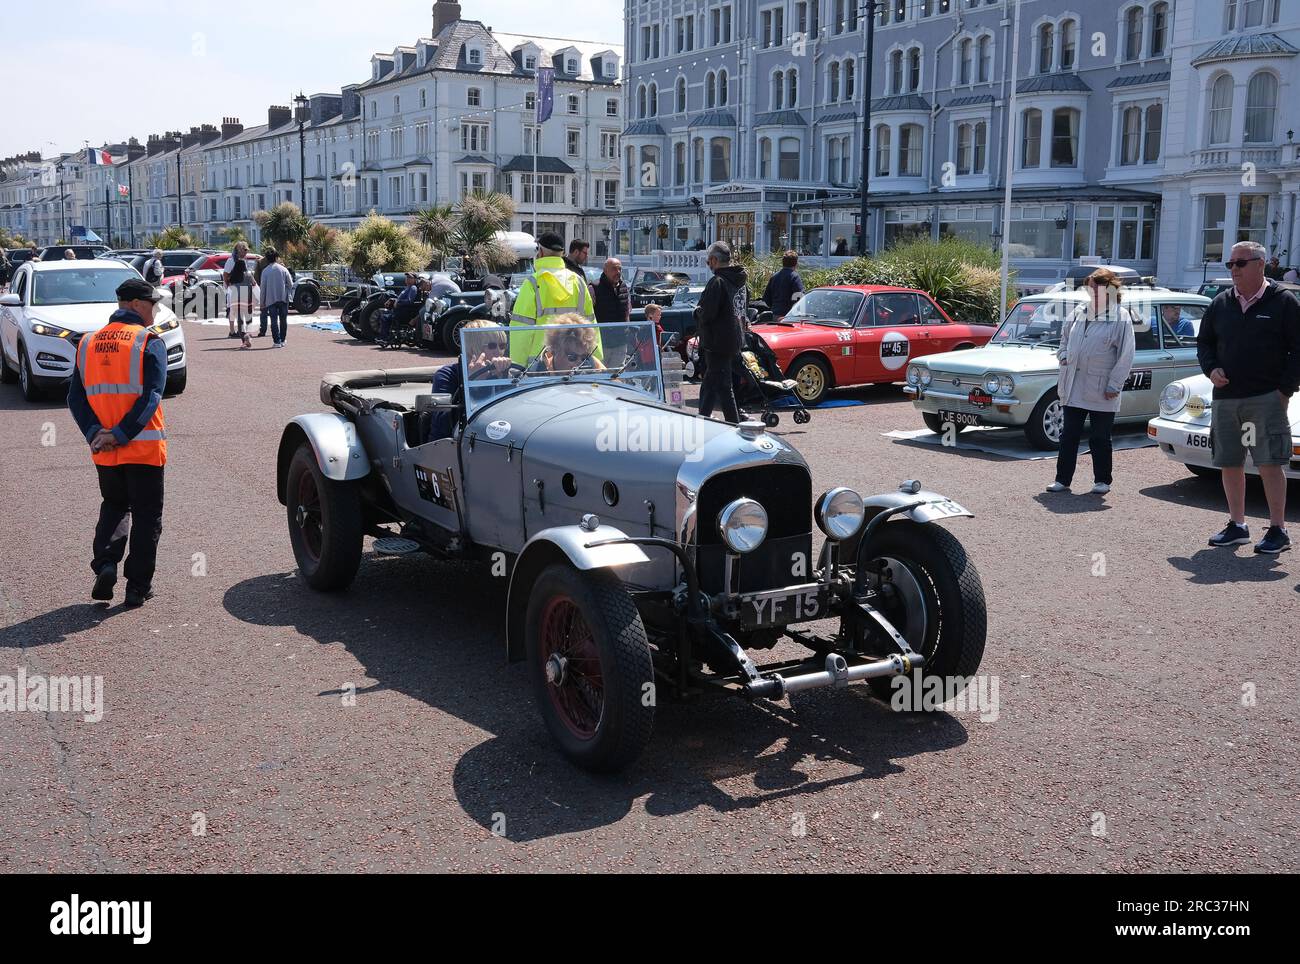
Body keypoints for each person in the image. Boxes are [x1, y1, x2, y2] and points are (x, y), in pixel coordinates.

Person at [66, 278, 168, 608]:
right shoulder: (148, 341)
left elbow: (75, 398)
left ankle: (106, 563)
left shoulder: (88, 343)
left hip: (105, 451)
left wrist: (97, 434)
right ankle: (137, 587)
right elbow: (150, 397)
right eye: (152, 303)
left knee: (114, 506)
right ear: (136, 305)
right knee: (147, 515)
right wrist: (122, 435)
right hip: (143, 447)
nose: (156, 308)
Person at [1199, 240, 1300, 554]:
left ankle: (1278, 530)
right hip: (1227, 398)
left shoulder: (1284, 302)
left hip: (1266, 397)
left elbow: (1298, 351)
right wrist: (1211, 368)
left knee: (1270, 464)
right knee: (1230, 462)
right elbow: (1205, 344)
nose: (1234, 270)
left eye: (1240, 263)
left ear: (1261, 264)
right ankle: (1238, 525)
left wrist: (1285, 391)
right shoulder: (1220, 303)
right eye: (1230, 264)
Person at [1047, 267, 1136, 496]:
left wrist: (1115, 385)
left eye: (1098, 287)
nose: (1093, 291)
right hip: (1074, 383)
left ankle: (1102, 480)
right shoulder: (1078, 311)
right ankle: (1062, 480)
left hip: (1102, 387)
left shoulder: (1120, 316)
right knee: (1069, 435)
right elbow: (1064, 339)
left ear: (1111, 289)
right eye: (1090, 287)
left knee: (1099, 437)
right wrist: (1064, 356)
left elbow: (1126, 355)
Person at [508, 231, 596, 364]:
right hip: (575, 362)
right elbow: (591, 325)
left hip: (540, 365)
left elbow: (521, 329)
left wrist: (516, 365)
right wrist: (596, 359)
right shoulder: (578, 281)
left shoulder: (533, 283)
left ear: (541, 252)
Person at [426, 320, 511, 442]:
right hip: (451, 446)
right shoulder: (446, 375)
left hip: (490, 441)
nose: (498, 351)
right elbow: (443, 424)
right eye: (492, 346)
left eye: (502, 346)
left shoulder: (505, 373)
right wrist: (474, 383)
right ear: (472, 349)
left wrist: (503, 377)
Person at [694, 240, 747, 424]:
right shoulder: (740, 281)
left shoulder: (717, 281)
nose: (708, 265)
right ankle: (703, 419)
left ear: (715, 260)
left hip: (717, 342)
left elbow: (707, 313)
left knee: (723, 387)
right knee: (712, 385)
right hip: (734, 339)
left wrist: (697, 311)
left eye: (709, 261)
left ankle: (731, 423)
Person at [527, 314, 606, 374]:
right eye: (572, 357)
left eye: (584, 358)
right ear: (555, 351)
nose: (580, 364)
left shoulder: (591, 363)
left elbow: (613, 381)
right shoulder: (537, 372)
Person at [258, 247, 294, 347]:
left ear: (267, 258)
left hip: (270, 299)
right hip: (283, 297)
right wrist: (286, 291)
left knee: (273, 320)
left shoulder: (265, 271)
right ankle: (283, 339)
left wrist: (262, 302)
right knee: (283, 320)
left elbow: (263, 288)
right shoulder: (283, 269)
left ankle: (276, 341)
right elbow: (290, 284)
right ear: (276, 257)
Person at [223, 241, 256, 345]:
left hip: (242, 290)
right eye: (244, 251)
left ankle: (245, 336)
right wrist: (228, 285)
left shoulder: (242, 260)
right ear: (238, 251)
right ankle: (240, 334)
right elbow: (225, 275)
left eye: (246, 251)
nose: (246, 253)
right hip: (235, 289)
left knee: (243, 315)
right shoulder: (231, 260)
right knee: (238, 313)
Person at [379, 272, 425, 347]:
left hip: (405, 312)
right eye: (407, 277)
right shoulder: (406, 288)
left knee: (385, 318)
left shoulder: (413, 288)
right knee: (383, 314)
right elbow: (398, 299)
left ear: (415, 279)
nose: (407, 279)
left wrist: (398, 302)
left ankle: (385, 338)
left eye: (410, 278)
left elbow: (410, 301)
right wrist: (392, 300)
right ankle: (383, 337)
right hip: (400, 310)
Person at [762, 250, 805, 319]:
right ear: (796, 263)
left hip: (774, 314)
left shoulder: (774, 277)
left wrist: (775, 307)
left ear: (783, 262)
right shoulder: (795, 277)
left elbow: (766, 298)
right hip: (788, 316)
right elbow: (799, 296)